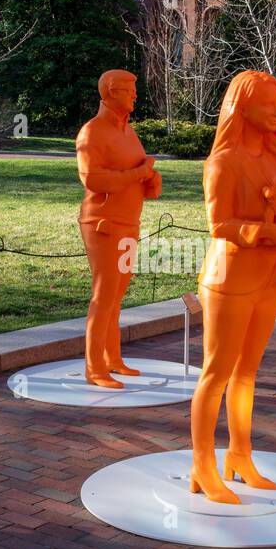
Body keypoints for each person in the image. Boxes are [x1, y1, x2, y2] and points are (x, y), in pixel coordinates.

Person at [189, 71, 276, 504]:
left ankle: (240, 454)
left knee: (247, 374)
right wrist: (261, 234)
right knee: (216, 373)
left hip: (268, 281)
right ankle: (202, 462)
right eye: (268, 105)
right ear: (242, 108)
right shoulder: (223, 162)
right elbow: (218, 224)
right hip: (230, 280)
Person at [75, 69, 161, 388]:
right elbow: (92, 179)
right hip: (103, 224)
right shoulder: (92, 132)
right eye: (128, 91)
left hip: (128, 223)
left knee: (117, 295)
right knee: (104, 294)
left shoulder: (128, 131)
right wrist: (137, 175)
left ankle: (112, 359)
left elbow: (137, 173)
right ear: (111, 92)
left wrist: (151, 180)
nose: (135, 96)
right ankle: (94, 367)